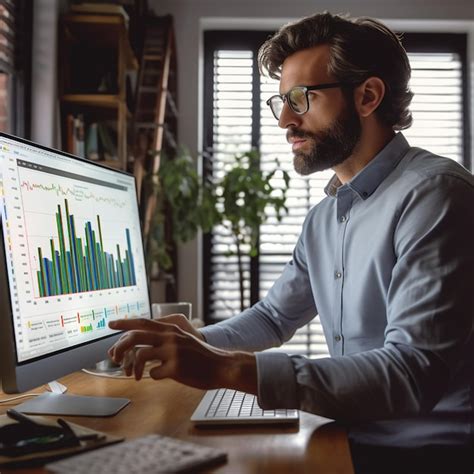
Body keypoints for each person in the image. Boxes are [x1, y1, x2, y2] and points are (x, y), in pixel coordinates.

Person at [108, 12, 474, 473]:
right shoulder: (326, 217)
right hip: (355, 432)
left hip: (429, 454)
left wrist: (226, 369)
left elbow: (410, 374)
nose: (284, 119)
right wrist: (193, 343)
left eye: (301, 98)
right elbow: (275, 316)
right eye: (280, 101)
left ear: (368, 96)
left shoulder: (437, 195)